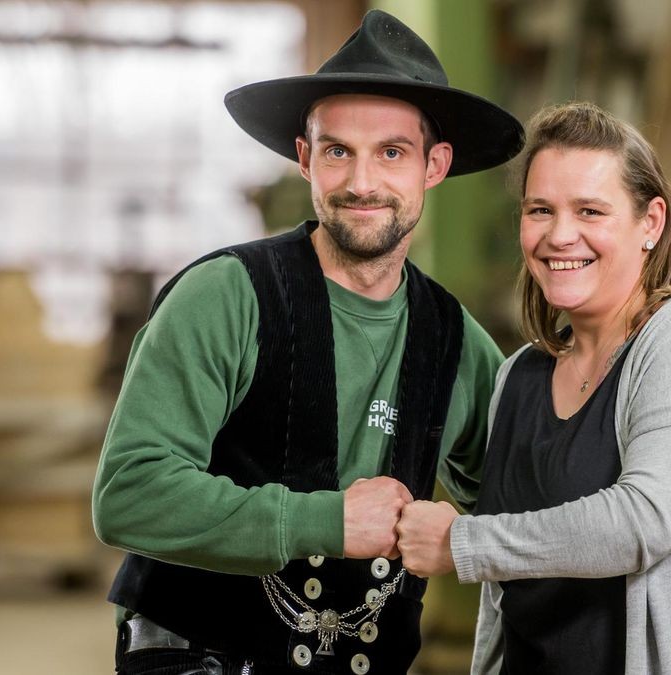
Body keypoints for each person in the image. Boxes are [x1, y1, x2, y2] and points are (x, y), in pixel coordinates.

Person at [91, 10, 524, 674]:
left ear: (434, 165)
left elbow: (524, 507)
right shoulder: (226, 297)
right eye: (337, 150)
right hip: (199, 655)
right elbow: (129, 492)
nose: (361, 182)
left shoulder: (456, 344)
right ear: (305, 158)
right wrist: (325, 522)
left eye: (392, 152)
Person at [395, 102, 671, 674]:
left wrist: (461, 544)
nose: (560, 235)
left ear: (651, 223)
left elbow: (642, 522)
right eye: (540, 210)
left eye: (590, 211)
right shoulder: (518, 377)